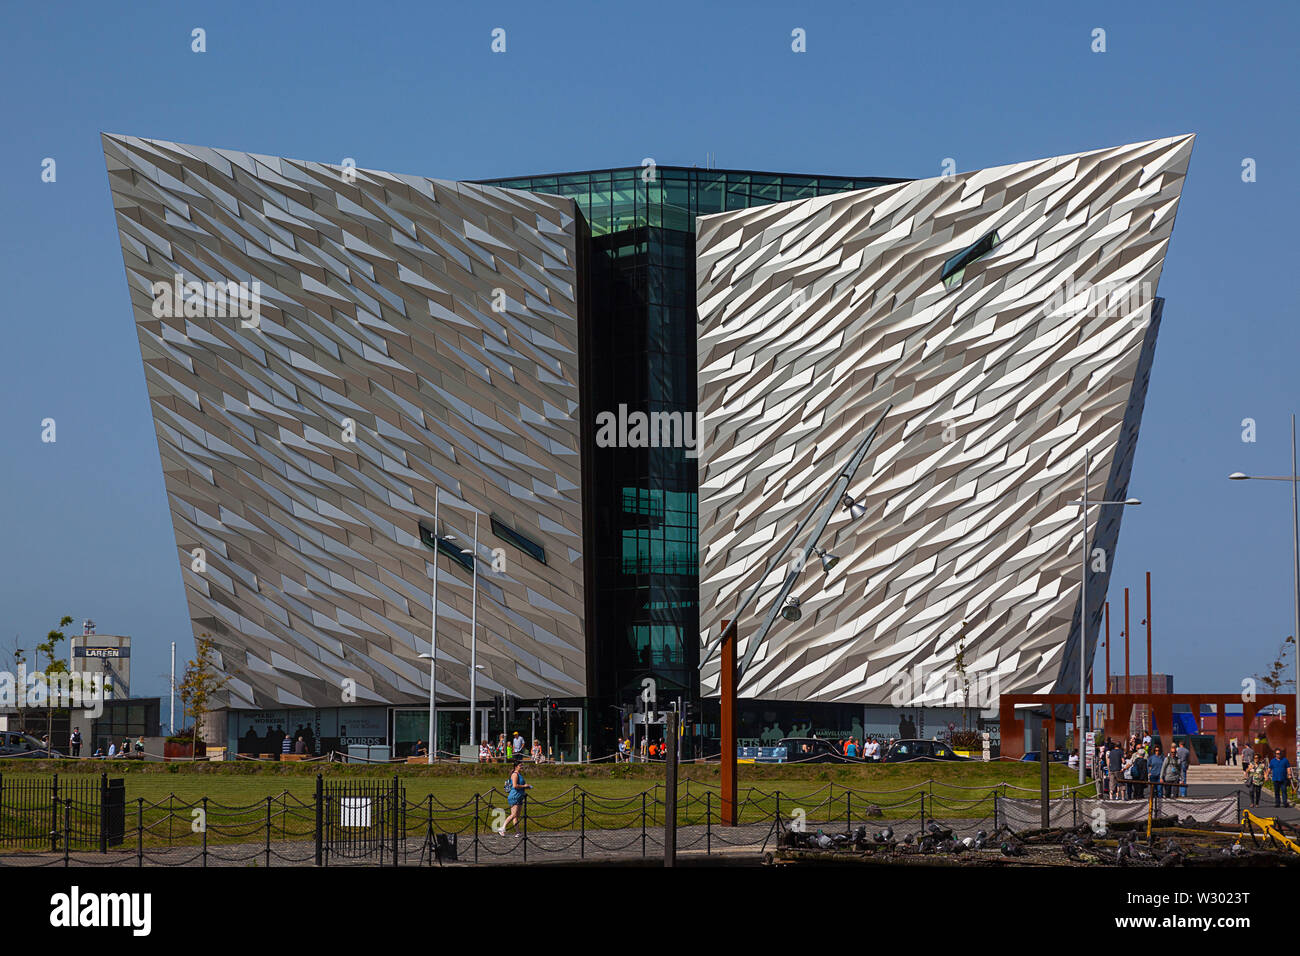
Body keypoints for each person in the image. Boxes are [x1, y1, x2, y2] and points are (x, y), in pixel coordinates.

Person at [499, 759, 532, 836]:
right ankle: (502, 828)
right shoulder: (515, 774)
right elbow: (515, 786)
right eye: (520, 765)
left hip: (519, 796)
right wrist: (524, 786)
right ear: (516, 767)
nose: (522, 767)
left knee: (516, 816)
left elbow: (519, 785)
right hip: (515, 796)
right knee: (513, 815)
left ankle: (517, 832)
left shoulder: (519, 774)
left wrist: (526, 787)